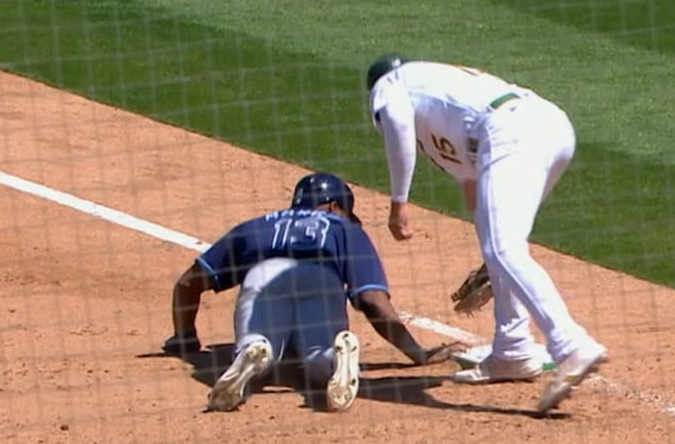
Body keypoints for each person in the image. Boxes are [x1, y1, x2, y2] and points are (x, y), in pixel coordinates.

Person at [366, 55, 607, 415]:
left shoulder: (392, 83)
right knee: (502, 247)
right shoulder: (439, 105)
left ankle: (571, 346)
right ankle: (513, 351)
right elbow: (472, 183)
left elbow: (396, 119)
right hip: (548, 129)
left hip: (511, 130)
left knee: (504, 248)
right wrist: (490, 252)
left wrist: (399, 203)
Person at [162, 171, 462, 412]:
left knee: (260, 347)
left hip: (264, 277)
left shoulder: (256, 226)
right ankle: (336, 359)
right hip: (323, 281)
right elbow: (372, 301)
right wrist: (417, 353)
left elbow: (189, 282)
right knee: (318, 364)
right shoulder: (344, 229)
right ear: (334, 206)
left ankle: (252, 353)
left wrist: (184, 337)